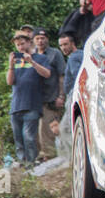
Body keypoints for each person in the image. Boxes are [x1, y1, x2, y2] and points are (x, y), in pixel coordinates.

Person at [5, 29, 51, 166]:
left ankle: (31, 163)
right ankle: (23, 163)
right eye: (18, 45)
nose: (20, 47)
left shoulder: (40, 58)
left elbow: (47, 74)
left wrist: (32, 62)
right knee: (18, 138)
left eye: (22, 44)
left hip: (32, 104)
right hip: (16, 105)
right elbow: (9, 82)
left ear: (30, 42)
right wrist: (10, 66)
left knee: (29, 137)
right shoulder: (16, 60)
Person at [32, 28, 65, 159]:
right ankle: (38, 160)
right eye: (37, 39)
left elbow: (62, 76)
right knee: (34, 133)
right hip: (34, 101)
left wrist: (61, 96)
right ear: (33, 40)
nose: (40, 41)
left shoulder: (54, 54)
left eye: (42, 38)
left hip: (51, 100)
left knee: (49, 131)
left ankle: (51, 159)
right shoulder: (30, 55)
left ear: (47, 39)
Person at [58, 32, 83, 102]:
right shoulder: (82, 53)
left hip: (75, 94)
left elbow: (78, 77)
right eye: (61, 45)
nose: (63, 48)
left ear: (72, 43)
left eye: (65, 44)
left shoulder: (73, 58)